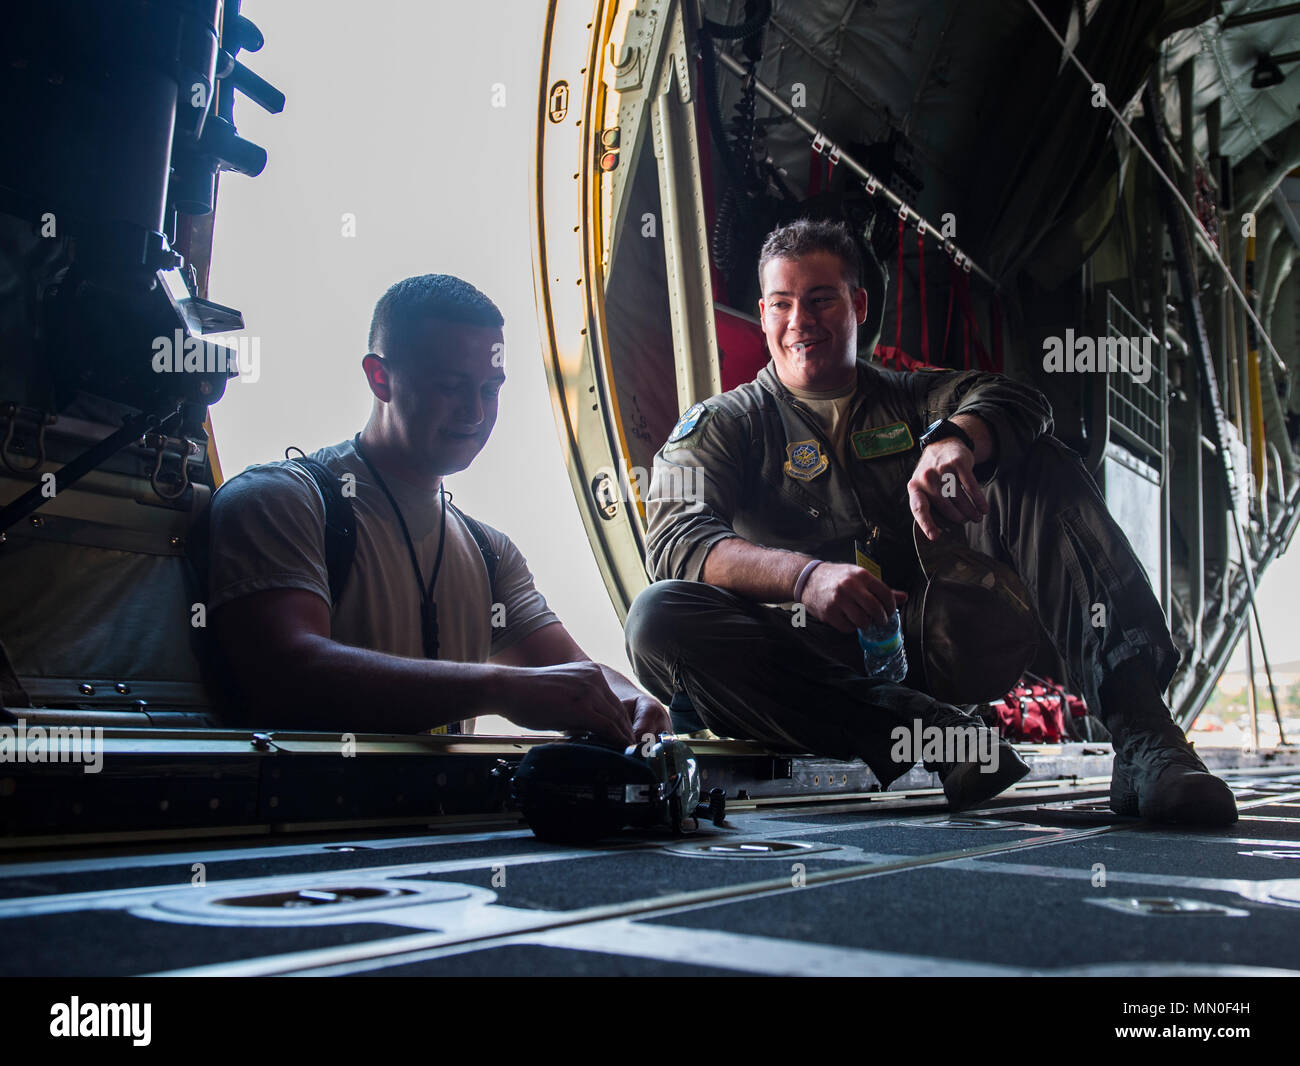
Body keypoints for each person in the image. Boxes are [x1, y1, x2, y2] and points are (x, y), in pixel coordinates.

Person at [625, 218, 1237, 825]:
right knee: (656, 616)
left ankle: (1144, 734)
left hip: (933, 647)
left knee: (1030, 457)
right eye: (782, 304)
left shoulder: (915, 398)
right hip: (802, 675)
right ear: (762, 315)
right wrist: (805, 577)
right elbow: (678, 539)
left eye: (820, 300)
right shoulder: (725, 423)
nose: (799, 322)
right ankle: (923, 730)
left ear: (858, 304)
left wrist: (958, 440)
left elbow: (1023, 402)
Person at [207, 274, 669, 745]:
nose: (475, 413)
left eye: (490, 389)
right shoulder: (280, 501)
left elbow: (574, 672)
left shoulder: (490, 554)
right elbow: (285, 674)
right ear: (379, 378)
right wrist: (499, 689)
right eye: (451, 386)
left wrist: (633, 700)